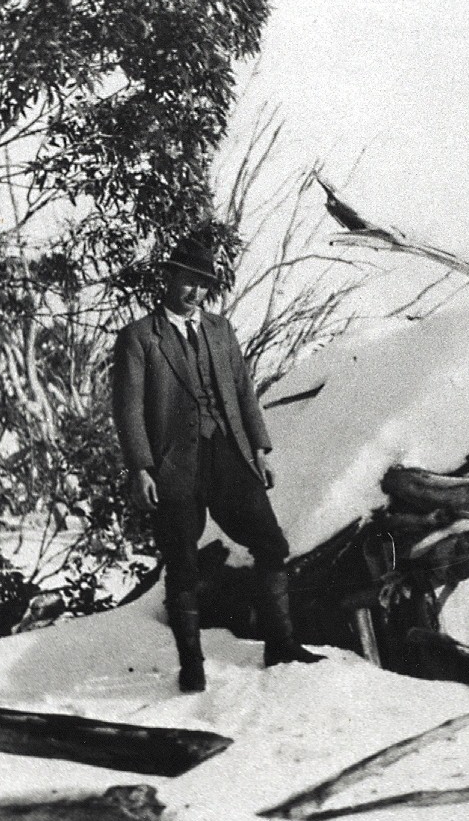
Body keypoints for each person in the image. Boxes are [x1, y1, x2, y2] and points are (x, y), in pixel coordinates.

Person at [112, 234, 322, 693]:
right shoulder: (139, 338)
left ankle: (281, 644)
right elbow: (128, 410)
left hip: (228, 456)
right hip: (174, 465)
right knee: (181, 561)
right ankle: (192, 665)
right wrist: (141, 469)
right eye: (188, 281)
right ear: (169, 278)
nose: (195, 293)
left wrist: (260, 450)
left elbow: (244, 392)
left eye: (204, 285)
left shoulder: (221, 330)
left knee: (271, 544)